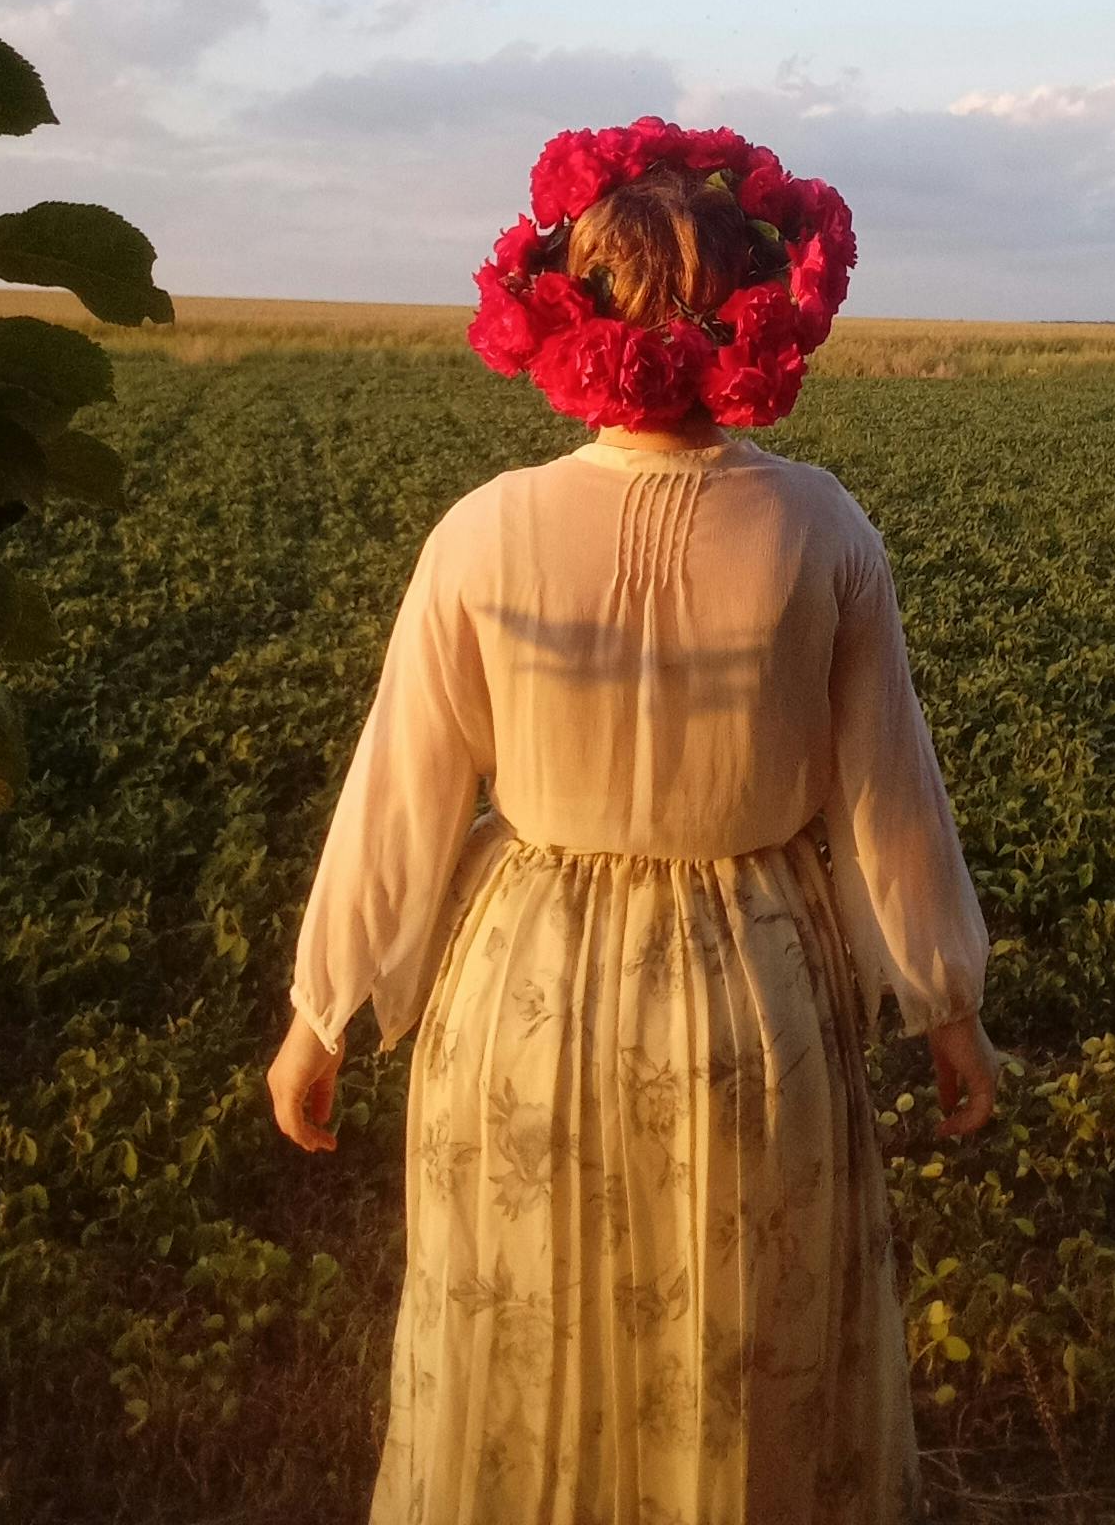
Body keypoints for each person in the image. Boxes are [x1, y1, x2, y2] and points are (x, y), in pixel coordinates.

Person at [267, 119, 1010, 1524]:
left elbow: (403, 790)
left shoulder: (483, 530)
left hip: (523, 1008)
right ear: (758, 311)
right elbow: (886, 799)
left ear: (569, 307)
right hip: (759, 999)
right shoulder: (822, 529)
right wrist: (946, 1005)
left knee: (526, 1360)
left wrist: (325, 1013)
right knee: (745, 1369)